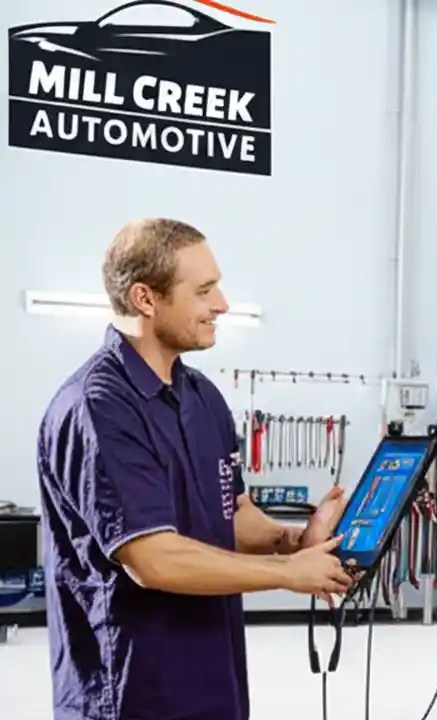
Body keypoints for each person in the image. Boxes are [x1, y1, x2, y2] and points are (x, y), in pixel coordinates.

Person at [35, 218, 354, 720]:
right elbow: (153, 560)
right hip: (132, 692)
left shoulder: (203, 398)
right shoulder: (98, 407)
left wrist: (291, 540)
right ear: (146, 298)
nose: (222, 304)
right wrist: (288, 574)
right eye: (204, 290)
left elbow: (232, 512)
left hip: (213, 680)